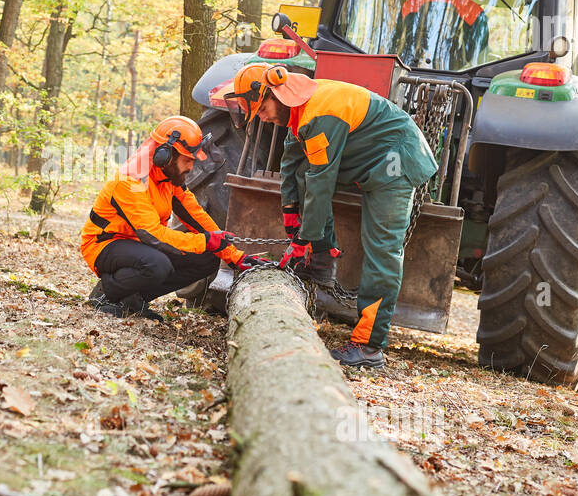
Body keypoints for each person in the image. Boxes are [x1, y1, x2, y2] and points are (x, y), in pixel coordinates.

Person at [225, 63, 438, 367]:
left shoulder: (319, 114)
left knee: (382, 250)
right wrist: (290, 214)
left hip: (398, 160)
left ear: (277, 92)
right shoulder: (299, 113)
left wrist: (302, 240)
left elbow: (320, 183)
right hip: (369, 161)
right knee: (301, 172)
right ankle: (322, 260)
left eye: (262, 109)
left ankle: (369, 347)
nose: (263, 117)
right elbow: (291, 163)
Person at [81, 115, 266, 320]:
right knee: (157, 264)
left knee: (207, 258)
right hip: (105, 244)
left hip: (139, 244)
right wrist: (206, 241)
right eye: (187, 160)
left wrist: (234, 255)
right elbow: (153, 235)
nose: (190, 167)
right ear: (165, 155)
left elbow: (197, 217)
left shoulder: (169, 179)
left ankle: (133, 299)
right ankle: (106, 294)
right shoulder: (131, 182)